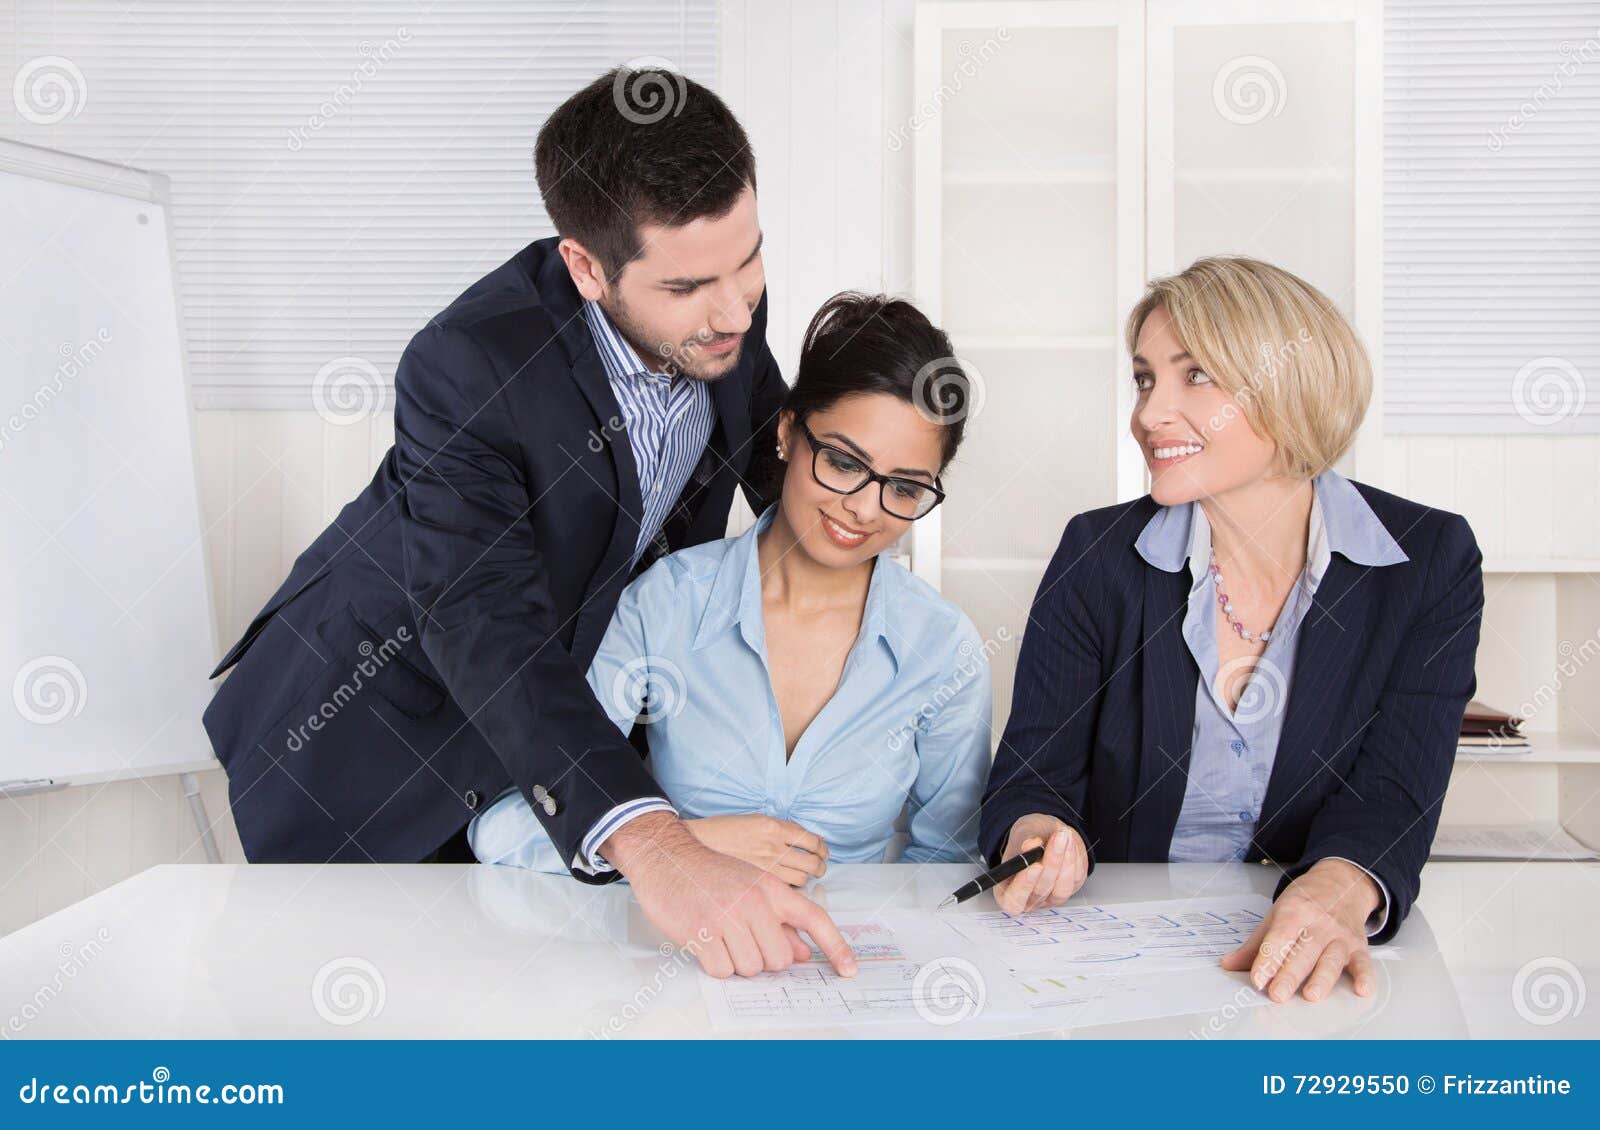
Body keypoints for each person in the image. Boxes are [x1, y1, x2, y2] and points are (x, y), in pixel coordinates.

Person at [201, 66, 854, 979]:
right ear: (585, 267)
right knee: (368, 1015)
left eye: (751, 261)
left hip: (554, 747)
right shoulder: (467, 364)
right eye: (692, 285)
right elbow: (482, 619)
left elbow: (767, 456)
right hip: (375, 733)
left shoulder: (720, 304)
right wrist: (657, 844)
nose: (737, 308)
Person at [980, 256, 1484, 1004]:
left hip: (1311, 965)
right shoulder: (1098, 555)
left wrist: (1337, 889)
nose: (1150, 414)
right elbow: (1034, 772)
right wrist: (1038, 836)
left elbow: (1396, 789)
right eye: (1145, 378)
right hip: (1116, 963)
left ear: (1288, 390)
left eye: (1196, 376)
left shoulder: (1427, 561)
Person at [469, 293, 990, 879]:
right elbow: (506, 827)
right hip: (677, 954)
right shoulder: (665, 603)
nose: (867, 509)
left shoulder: (944, 648)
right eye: (844, 463)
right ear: (789, 432)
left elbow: (948, 864)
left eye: (904, 488)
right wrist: (676, 846)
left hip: (852, 961)